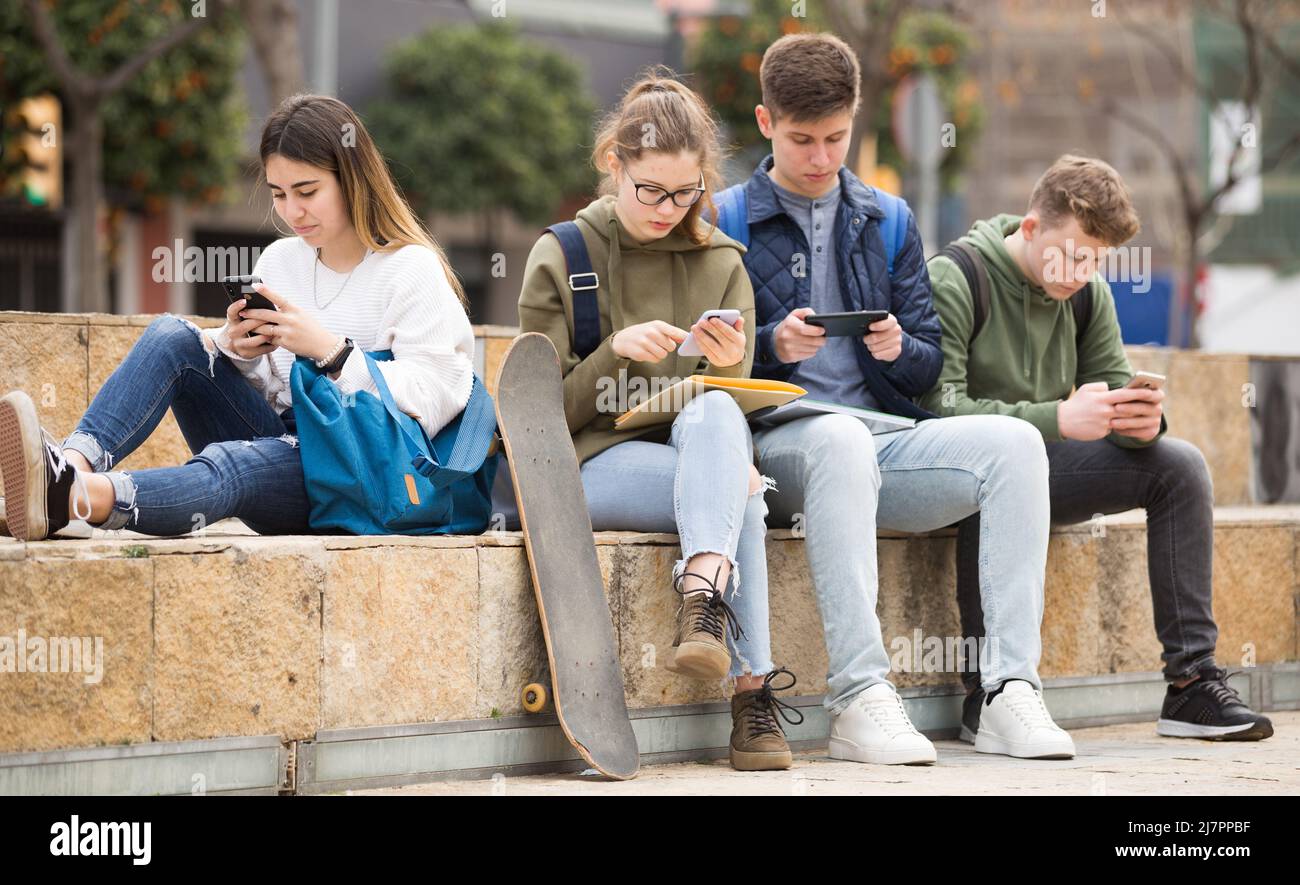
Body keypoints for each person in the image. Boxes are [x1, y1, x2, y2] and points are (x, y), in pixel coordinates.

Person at [717, 33, 1075, 762]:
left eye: (837, 138)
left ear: (856, 121)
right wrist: (769, 348)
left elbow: (926, 364)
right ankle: (859, 695)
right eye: (802, 140)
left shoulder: (891, 221)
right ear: (764, 123)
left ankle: (1009, 689)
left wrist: (896, 348)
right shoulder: (722, 220)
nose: (821, 158)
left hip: (881, 440)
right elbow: (700, 374)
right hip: (776, 450)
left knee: (1016, 445)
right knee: (838, 441)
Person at [0, 94, 475, 542]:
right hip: (281, 442)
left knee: (232, 463)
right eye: (279, 194)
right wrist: (240, 350)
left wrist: (333, 352)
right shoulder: (281, 261)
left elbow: (438, 397)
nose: (292, 211)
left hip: (356, 472)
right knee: (174, 336)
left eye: (307, 191)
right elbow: (271, 392)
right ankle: (70, 467)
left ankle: (78, 501)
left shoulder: (410, 269)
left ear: (352, 177)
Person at [920, 154, 1273, 742]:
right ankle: (987, 694)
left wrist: (1139, 423)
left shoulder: (1086, 293)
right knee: (1007, 461)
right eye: (1073, 255)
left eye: (1095, 261)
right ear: (1030, 229)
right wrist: (1054, 417)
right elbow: (936, 410)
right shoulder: (956, 278)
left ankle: (1191, 686)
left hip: (1047, 466)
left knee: (1178, 464)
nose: (1081, 272)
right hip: (964, 471)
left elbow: (1111, 389)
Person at [512, 71, 800, 771]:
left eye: (686, 192)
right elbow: (535, 417)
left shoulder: (724, 263)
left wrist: (730, 368)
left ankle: (701, 598)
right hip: (588, 464)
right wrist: (613, 353)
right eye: (652, 191)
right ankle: (752, 694)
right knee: (741, 492)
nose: (669, 208)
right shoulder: (564, 257)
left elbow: (731, 404)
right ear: (616, 164)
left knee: (719, 420)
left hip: (693, 453)